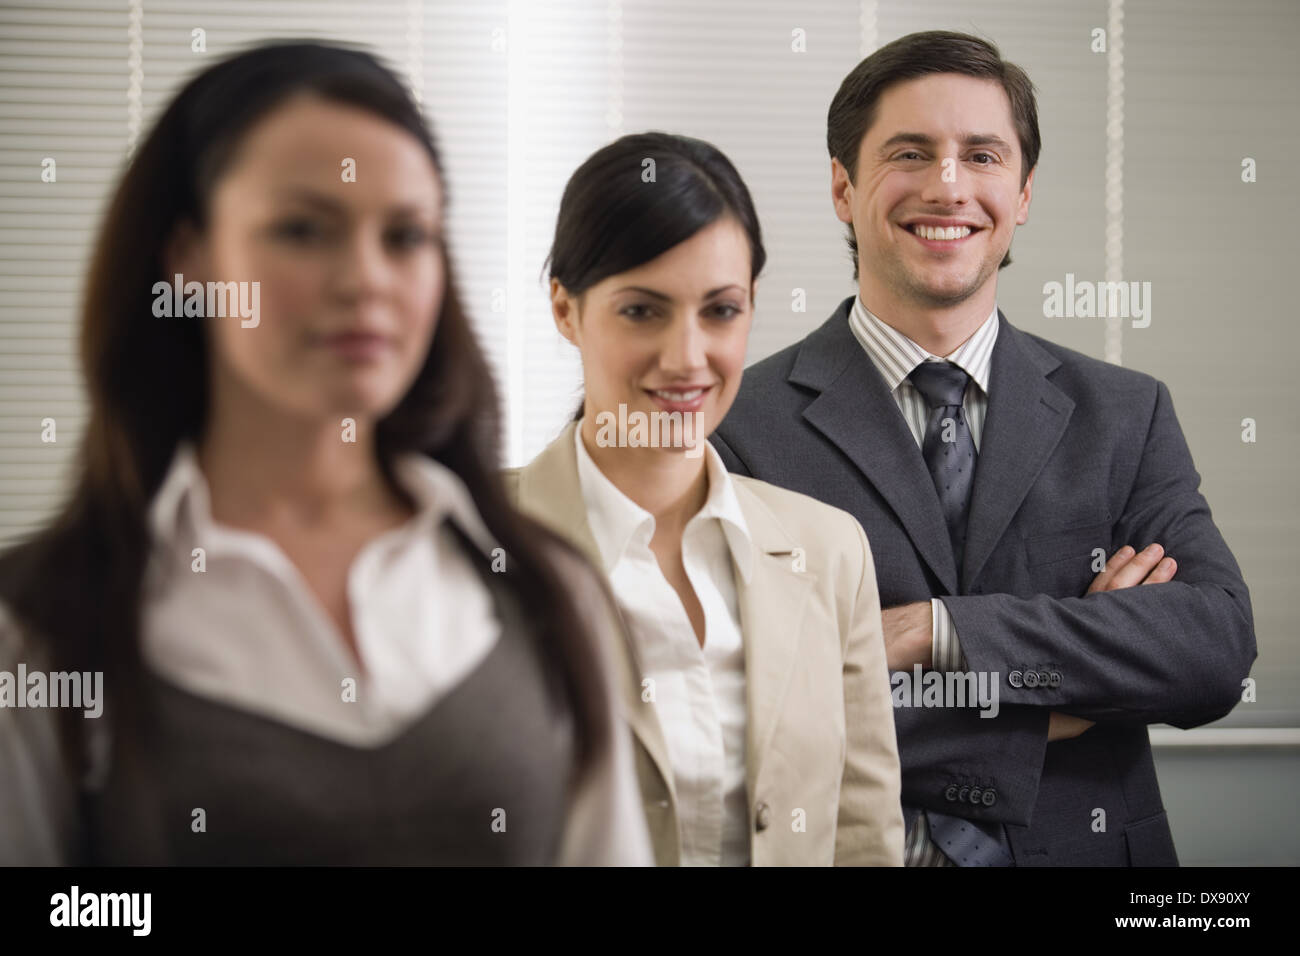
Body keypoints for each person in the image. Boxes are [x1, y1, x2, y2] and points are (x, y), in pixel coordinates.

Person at [0, 41, 650, 865]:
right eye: (303, 229)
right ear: (188, 259)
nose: (366, 279)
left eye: (406, 236)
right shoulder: (40, 631)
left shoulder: (549, 594)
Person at [712, 30, 1256, 866]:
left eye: (982, 155)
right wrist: (1058, 696)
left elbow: (1211, 649)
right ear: (841, 185)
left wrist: (933, 631)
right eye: (911, 153)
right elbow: (744, 705)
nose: (948, 186)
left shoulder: (1124, 413)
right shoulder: (735, 425)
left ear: (1024, 192)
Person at [505, 132, 904, 866]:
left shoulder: (829, 550)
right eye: (641, 311)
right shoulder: (471, 540)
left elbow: (862, 833)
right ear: (565, 309)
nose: (687, 357)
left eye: (719, 311)